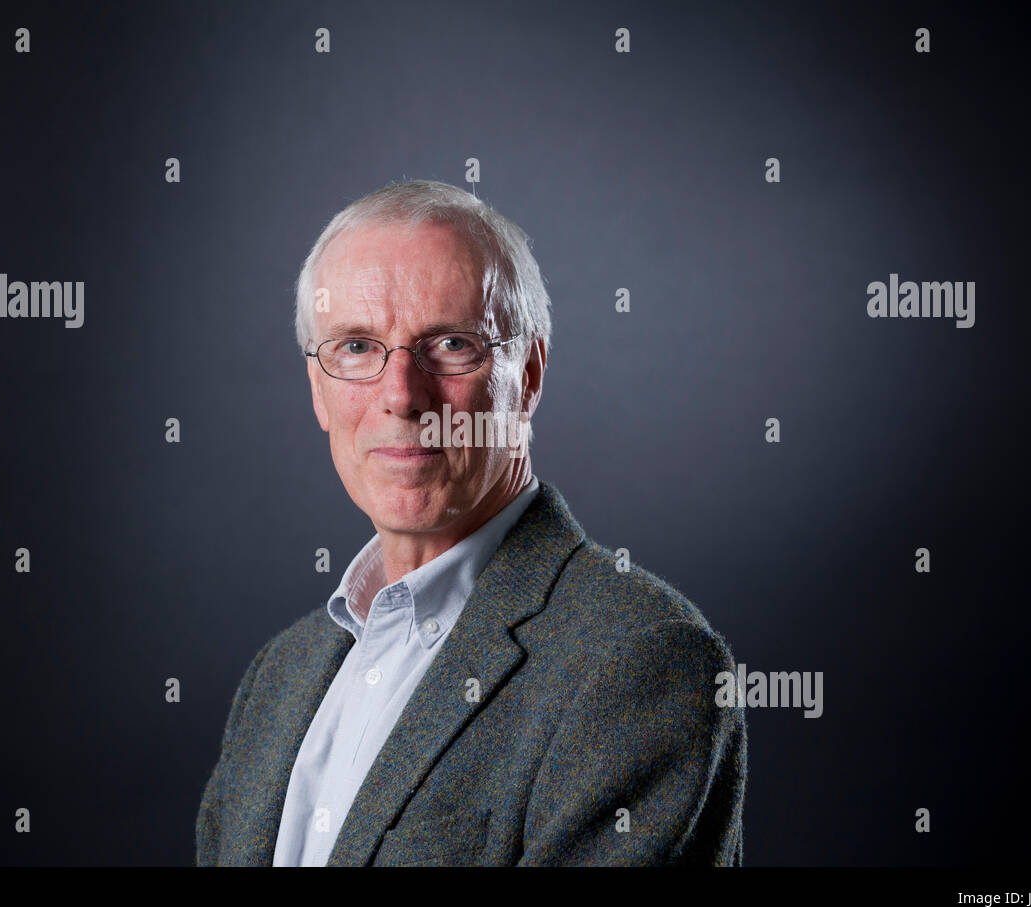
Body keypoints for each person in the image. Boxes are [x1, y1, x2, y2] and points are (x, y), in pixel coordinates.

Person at [195, 179, 746, 866]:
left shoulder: (638, 661)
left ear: (530, 374)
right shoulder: (280, 676)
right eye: (357, 348)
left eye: (452, 344)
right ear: (318, 389)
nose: (401, 396)